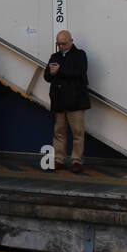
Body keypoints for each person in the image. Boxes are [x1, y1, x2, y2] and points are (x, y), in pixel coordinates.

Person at [44, 30, 90, 174]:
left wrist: (60, 71)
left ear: (71, 41)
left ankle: (77, 161)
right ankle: (59, 159)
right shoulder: (55, 56)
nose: (61, 46)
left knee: (78, 132)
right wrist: (51, 73)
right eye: (58, 44)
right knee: (59, 132)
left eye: (63, 43)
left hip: (75, 100)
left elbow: (80, 72)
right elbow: (47, 76)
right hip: (59, 101)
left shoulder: (80, 54)